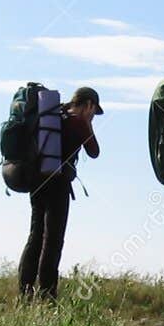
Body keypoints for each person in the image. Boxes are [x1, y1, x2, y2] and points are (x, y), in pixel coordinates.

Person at [18, 86, 102, 299]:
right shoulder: (79, 122)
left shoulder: (53, 115)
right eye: (93, 110)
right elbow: (94, 152)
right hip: (58, 184)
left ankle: (24, 292)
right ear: (89, 104)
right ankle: (47, 295)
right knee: (53, 240)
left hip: (37, 180)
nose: (93, 115)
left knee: (35, 235)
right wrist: (88, 124)